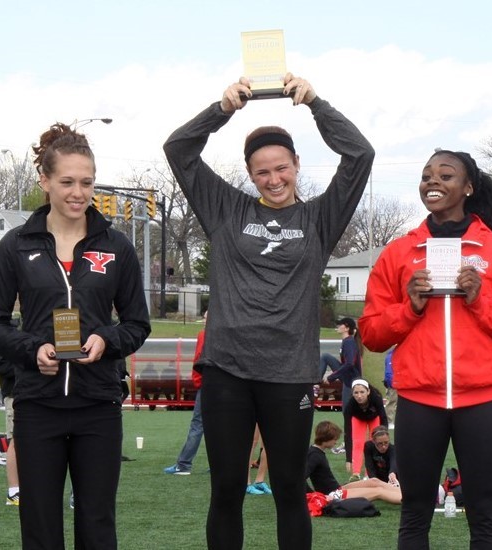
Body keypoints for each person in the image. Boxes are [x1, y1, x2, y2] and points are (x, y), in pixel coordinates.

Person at [163, 73, 374, 550]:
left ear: (297, 164)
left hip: (287, 376)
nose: (274, 179)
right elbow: (178, 149)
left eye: (282, 167)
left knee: (287, 489)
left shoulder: (320, 218)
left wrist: (316, 103)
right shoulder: (226, 210)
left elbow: (360, 155)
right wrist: (223, 109)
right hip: (227, 372)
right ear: (249, 175)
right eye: (262, 172)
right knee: (226, 490)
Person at [0, 122, 151, 550]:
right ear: (45, 181)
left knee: (97, 523)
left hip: (99, 406)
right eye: (67, 181)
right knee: (40, 526)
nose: (78, 192)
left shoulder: (116, 247)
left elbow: (137, 324)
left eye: (87, 182)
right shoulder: (16, 246)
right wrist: (32, 349)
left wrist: (107, 341)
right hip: (38, 405)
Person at [359, 150, 492, 549]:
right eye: (426, 176)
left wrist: (481, 300)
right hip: (418, 402)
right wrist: (409, 308)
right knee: (414, 513)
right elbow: (371, 334)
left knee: (482, 514)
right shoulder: (399, 253)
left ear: (468, 187)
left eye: (446, 175)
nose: (433, 182)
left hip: (480, 402)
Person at [306, 421, 401, 505]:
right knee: (378, 492)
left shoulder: (316, 451)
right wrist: (314, 495)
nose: (336, 442)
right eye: (334, 439)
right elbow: (300, 478)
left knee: (374, 481)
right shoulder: (314, 455)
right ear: (326, 438)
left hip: (337, 489)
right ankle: (408, 500)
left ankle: (406, 493)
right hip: (333, 494)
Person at [164, 310, 208, 475]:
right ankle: (219, 464)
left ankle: (184, 464)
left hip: (206, 385)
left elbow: (199, 359)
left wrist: (197, 382)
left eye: (205, 318)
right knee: (217, 426)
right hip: (222, 386)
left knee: (197, 425)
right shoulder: (225, 335)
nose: (203, 320)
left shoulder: (204, 335)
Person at [0, 316, 21, 505]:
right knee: (16, 441)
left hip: (31, 393)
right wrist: (26, 366)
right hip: (15, 394)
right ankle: (14, 491)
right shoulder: (9, 331)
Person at [343, 379, 387, 481]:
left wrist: (384, 436)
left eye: (362, 392)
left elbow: (383, 418)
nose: (359, 396)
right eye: (356, 393)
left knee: (374, 442)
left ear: (368, 392)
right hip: (358, 418)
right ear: (352, 394)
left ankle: (369, 473)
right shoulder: (350, 405)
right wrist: (348, 459)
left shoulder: (376, 398)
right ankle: (356, 473)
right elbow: (347, 433)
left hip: (374, 417)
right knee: (358, 443)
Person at [320, 317, 363, 408]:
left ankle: (316, 383)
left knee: (346, 411)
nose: (338, 326)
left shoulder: (349, 342)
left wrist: (331, 377)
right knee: (325, 356)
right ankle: (316, 383)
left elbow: (350, 363)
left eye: (340, 324)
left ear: (347, 328)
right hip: (347, 376)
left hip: (351, 380)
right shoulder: (346, 341)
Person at [382, 347, 397, 428]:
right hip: (393, 383)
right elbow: (389, 371)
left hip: (396, 382)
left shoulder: (391, 355)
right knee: (392, 402)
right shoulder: (391, 356)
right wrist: (392, 383)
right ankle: (390, 421)